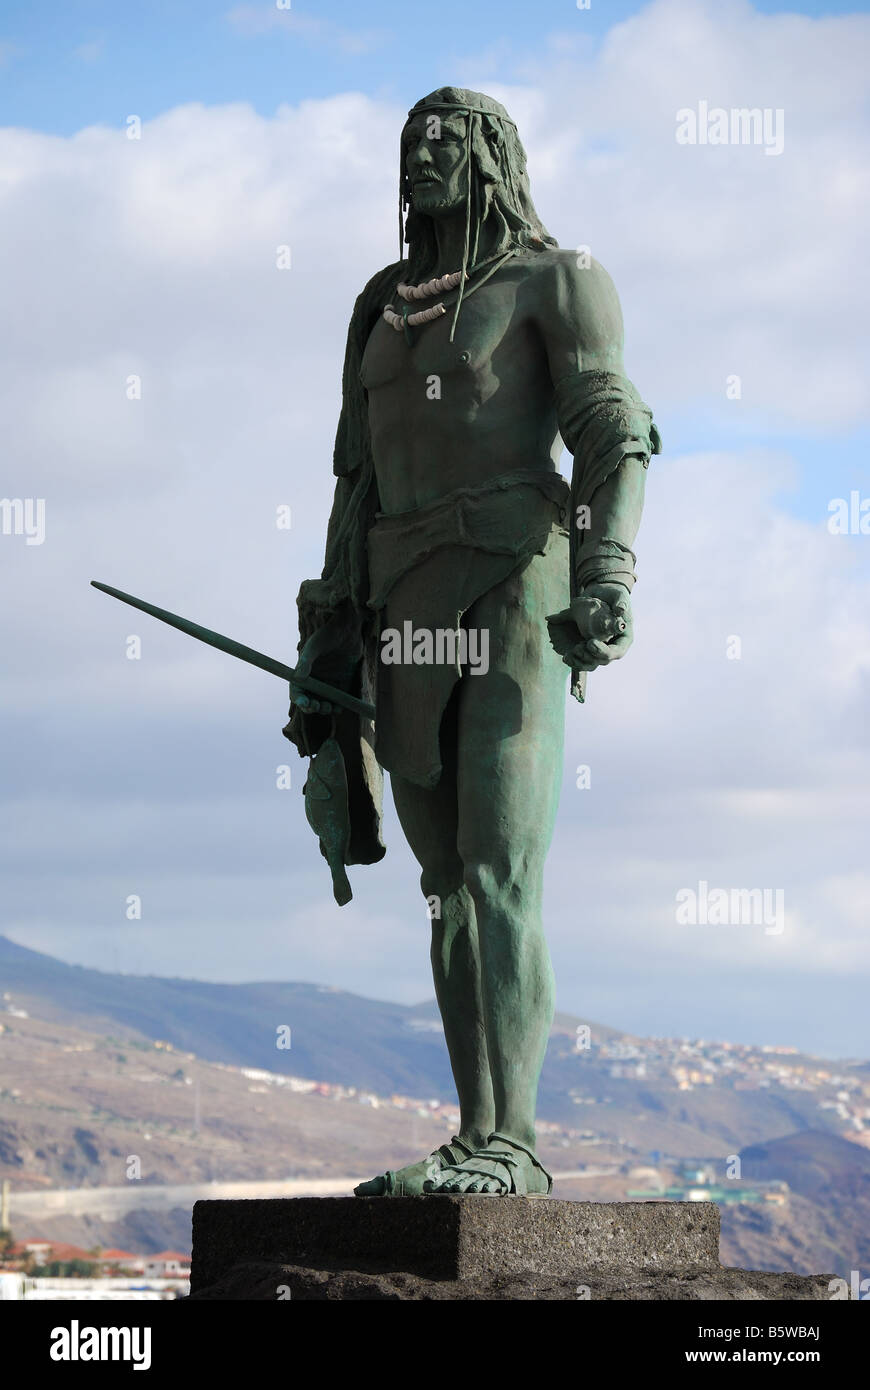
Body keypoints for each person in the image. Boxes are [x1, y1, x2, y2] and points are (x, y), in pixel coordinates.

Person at [283, 87, 660, 1196]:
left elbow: (612, 425)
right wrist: (323, 641)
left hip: (512, 580)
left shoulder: (556, 277)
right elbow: (355, 485)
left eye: (452, 135)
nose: (428, 151)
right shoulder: (380, 305)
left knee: (501, 870)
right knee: (443, 879)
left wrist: (607, 565)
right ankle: (474, 1131)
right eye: (413, 138)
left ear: (499, 155)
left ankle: (517, 1145)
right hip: (400, 600)